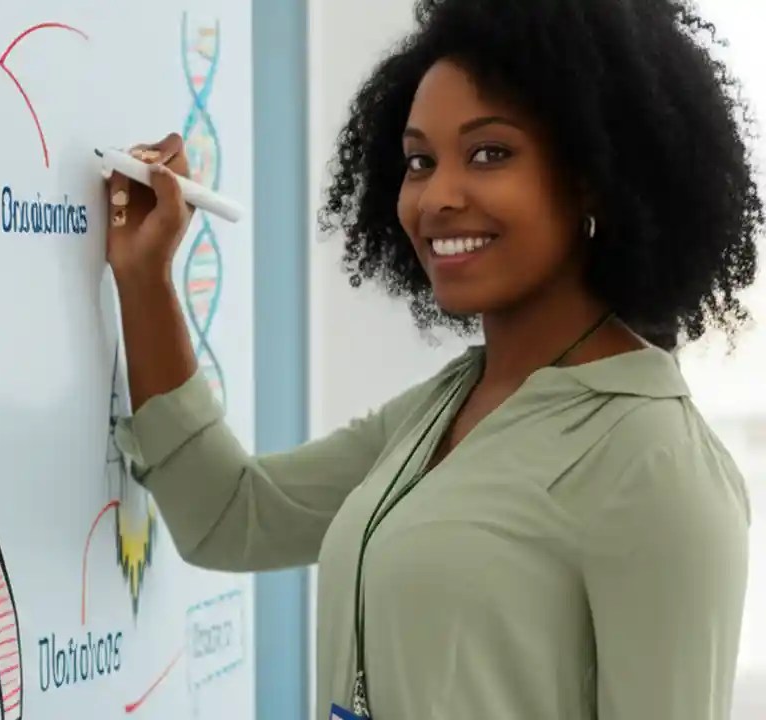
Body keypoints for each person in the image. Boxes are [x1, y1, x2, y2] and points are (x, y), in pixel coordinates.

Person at [104, 0, 761, 718]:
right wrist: (145, 278)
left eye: (490, 154)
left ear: (593, 179)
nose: (437, 198)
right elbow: (231, 516)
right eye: (420, 161)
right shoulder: (443, 407)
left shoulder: (656, 466)